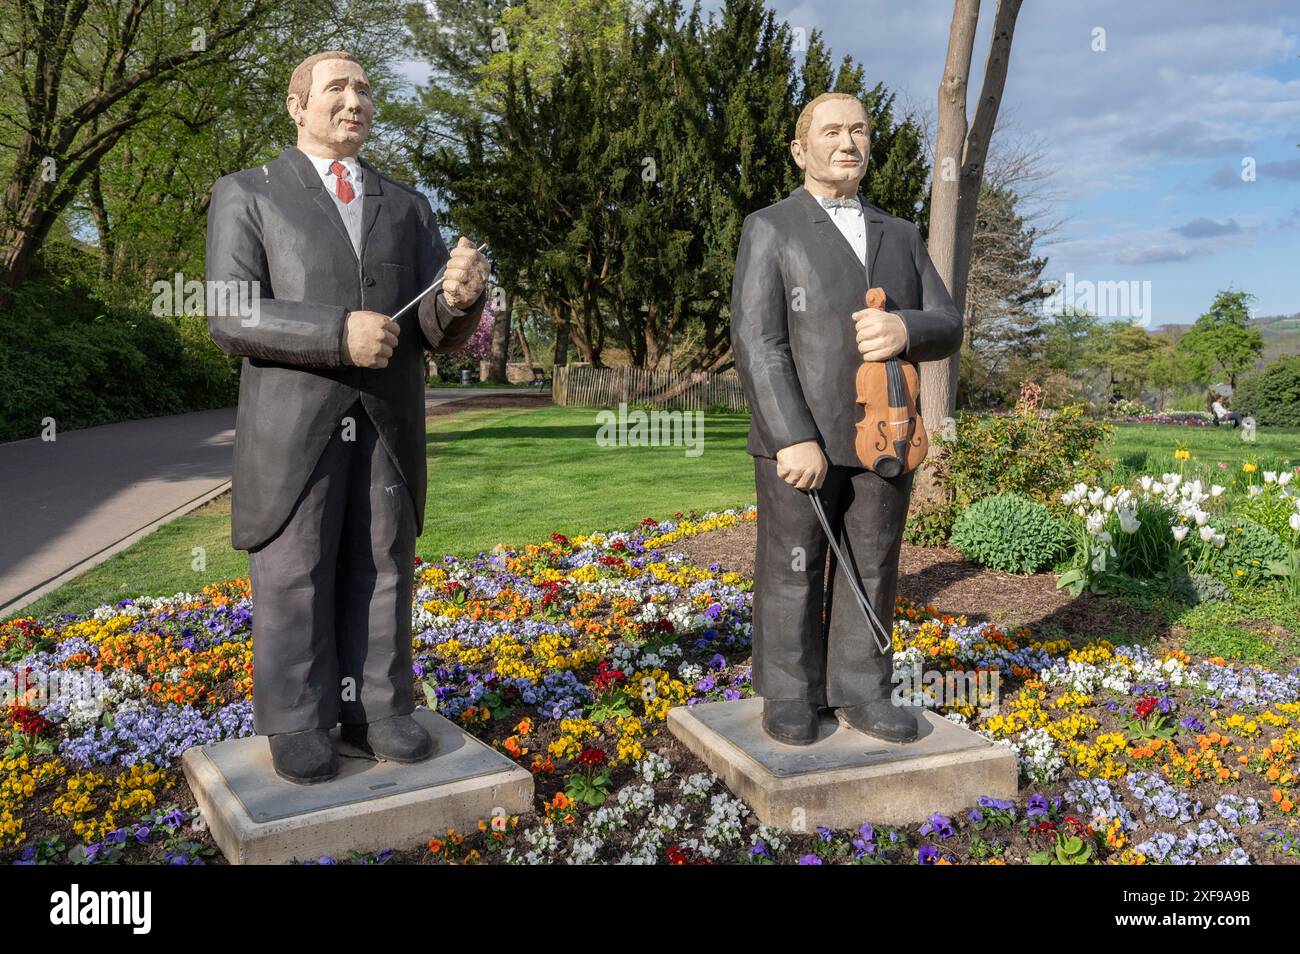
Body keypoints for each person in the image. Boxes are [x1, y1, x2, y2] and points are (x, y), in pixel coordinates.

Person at [204, 51, 489, 783]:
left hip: (388, 420)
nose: (354, 99)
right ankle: (298, 719)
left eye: (364, 88)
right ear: (297, 106)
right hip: (294, 426)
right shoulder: (248, 193)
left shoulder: (408, 205)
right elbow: (230, 311)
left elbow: (427, 324)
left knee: (384, 560)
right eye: (336, 88)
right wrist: (338, 334)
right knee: (295, 565)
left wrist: (457, 301)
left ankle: (382, 708)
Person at [730, 93, 963, 746]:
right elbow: (757, 341)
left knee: (873, 563)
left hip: (886, 431)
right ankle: (790, 693)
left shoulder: (902, 235)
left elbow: (947, 325)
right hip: (801, 442)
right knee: (792, 567)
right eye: (831, 131)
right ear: (801, 150)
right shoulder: (770, 228)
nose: (847, 142)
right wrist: (792, 435)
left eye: (858, 130)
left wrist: (903, 327)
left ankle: (862, 691)